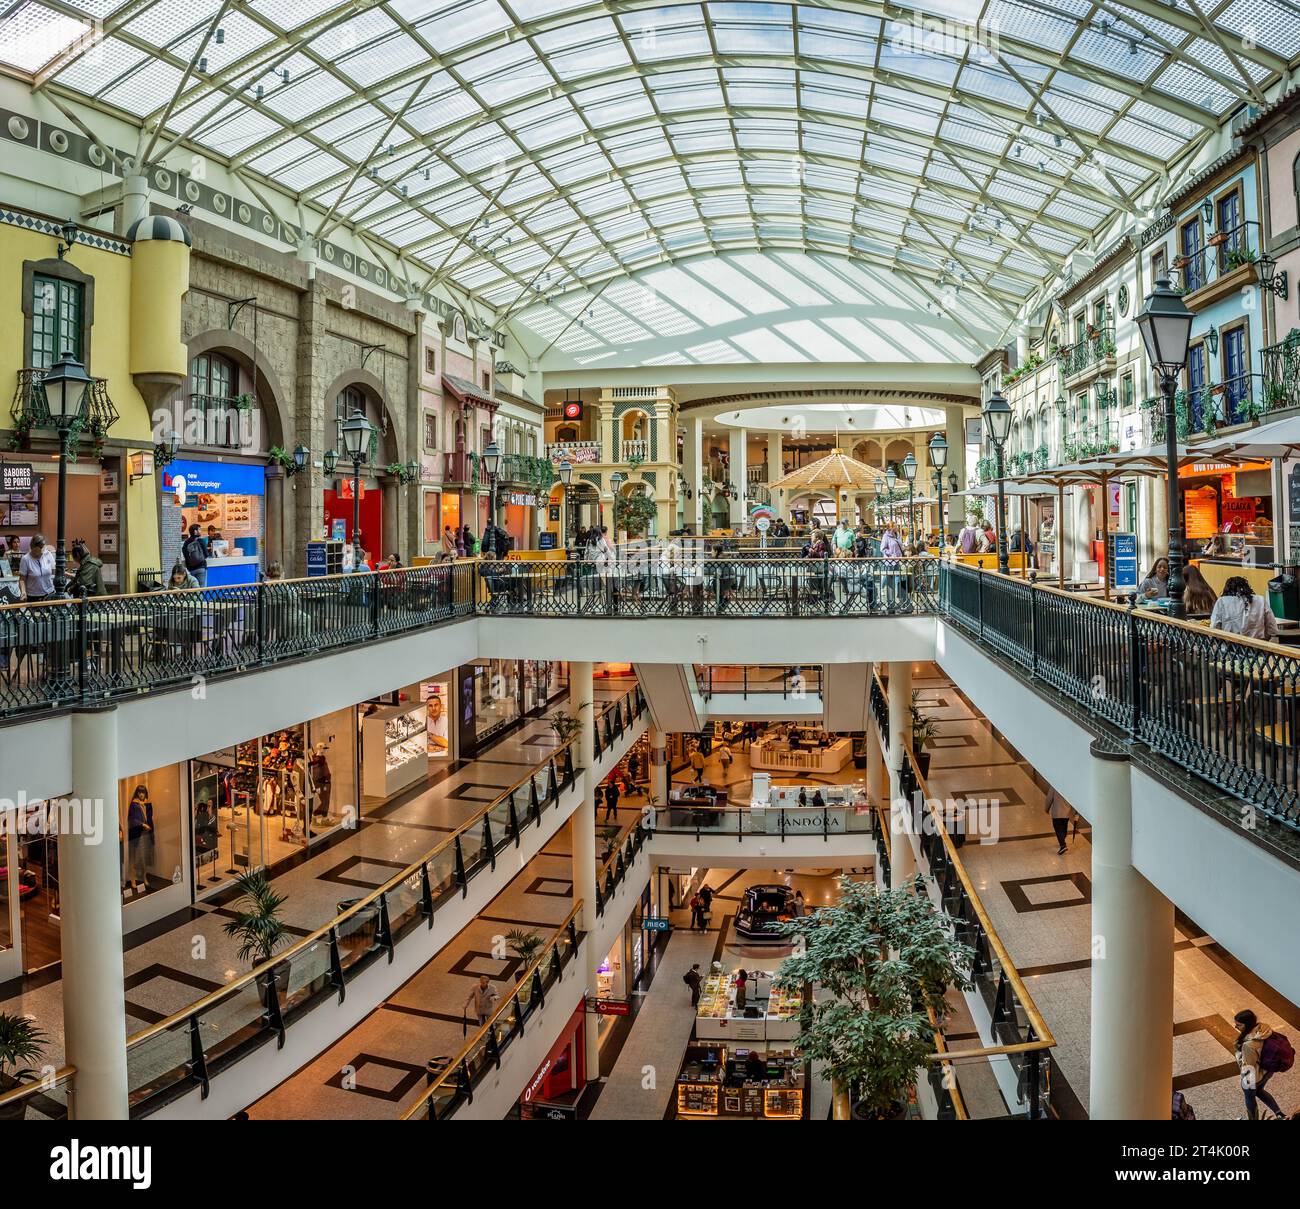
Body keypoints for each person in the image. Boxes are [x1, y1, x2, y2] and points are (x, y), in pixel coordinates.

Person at [1233, 1009, 1289, 1120]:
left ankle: (1253, 1118)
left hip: (1254, 1076)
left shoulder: (1248, 1045)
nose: (1236, 1027)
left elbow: (1249, 1065)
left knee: (1250, 1097)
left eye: (1239, 1025)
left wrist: (1246, 1081)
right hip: (1268, 1070)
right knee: (1259, 1091)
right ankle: (1280, 1114)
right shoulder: (1264, 1029)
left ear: (1247, 1025)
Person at [1211, 576, 1279, 641]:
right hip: (1257, 648)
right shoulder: (1261, 600)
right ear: (1247, 587)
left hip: (1229, 648)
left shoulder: (1222, 601)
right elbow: (1272, 628)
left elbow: (1214, 627)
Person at [124, 784, 153, 896]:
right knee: (134, 857)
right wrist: (142, 824)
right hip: (136, 834)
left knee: (144, 857)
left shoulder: (146, 804)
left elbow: (149, 818)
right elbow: (132, 820)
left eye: (143, 792)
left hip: (145, 834)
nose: (141, 794)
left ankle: (144, 877)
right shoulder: (133, 805)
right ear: (137, 793)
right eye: (140, 792)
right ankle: (133, 879)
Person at [19, 534, 55, 601]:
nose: (42, 550)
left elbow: (55, 570)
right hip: (33, 596)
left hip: (49, 593)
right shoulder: (25, 559)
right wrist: (23, 592)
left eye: (43, 547)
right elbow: (22, 579)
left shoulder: (48, 554)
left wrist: (69, 575)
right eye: (40, 548)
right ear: (33, 547)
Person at [1045, 786, 1074, 855]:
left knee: (1058, 829)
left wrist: (1046, 808)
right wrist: (1075, 813)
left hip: (1057, 813)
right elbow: (1074, 800)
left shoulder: (1054, 785)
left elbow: (1049, 798)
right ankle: (1062, 838)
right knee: (1063, 828)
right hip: (1066, 813)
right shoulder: (1070, 787)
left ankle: (1063, 845)